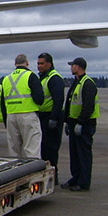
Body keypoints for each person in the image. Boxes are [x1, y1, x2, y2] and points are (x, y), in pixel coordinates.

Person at [62, 57, 100, 192]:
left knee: (83, 154)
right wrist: (68, 121)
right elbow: (71, 103)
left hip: (84, 124)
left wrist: (81, 122)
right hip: (74, 122)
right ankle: (76, 178)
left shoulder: (87, 84)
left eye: (72, 65)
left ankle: (84, 183)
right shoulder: (76, 82)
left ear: (79, 67)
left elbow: (88, 106)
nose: (71, 67)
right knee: (75, 154)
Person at [1, 54, 44, 158]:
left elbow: (2, 103)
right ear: (27, 63)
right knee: (32, 149)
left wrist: (6, 119)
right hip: (28, 114)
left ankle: (15, 167)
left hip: (11, 116)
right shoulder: (31, 76)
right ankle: (32, 167)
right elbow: (39, 99)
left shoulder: (6, 79)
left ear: (15, 64)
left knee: (14, 150)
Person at [37, 52, 65, 184]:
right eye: (38, 63)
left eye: (42, 63)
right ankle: (47, 175)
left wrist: (53, 118)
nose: (39, 66)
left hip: (51, 117)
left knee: (51, 149)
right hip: (43, 117)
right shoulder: (42, 78)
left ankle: (53, 177)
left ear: (49, 64)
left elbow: (58, 100)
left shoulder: (54, 78)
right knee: (44, 148)